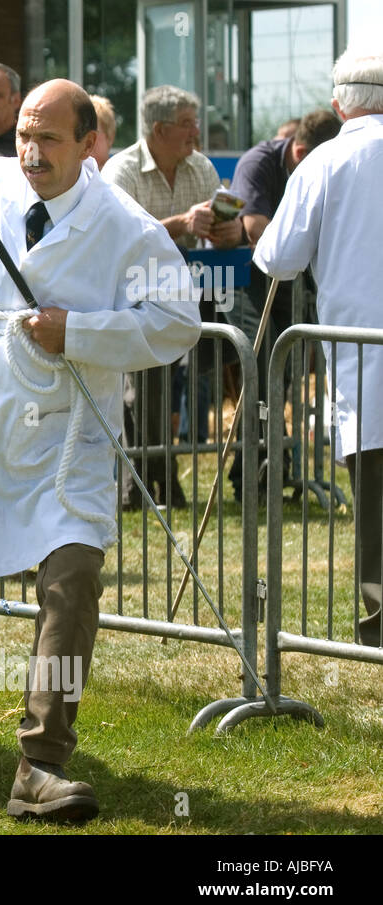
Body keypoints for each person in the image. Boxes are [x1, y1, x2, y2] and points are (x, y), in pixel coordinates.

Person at [0, 79, 199, 820]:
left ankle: (39, 764)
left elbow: (176, 321)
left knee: (71, 588)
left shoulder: (126, 226)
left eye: (48, 139)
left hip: (70, 437)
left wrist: (83, 332)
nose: (30, 151)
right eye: (25, 135)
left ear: (90, 142)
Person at [254, 47, 383, 648]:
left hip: (365, 365)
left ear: (339, 105)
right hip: (364, 359)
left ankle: (380, 624)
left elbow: (276, 257)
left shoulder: (326, 161)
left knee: (377, 506)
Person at [102, 85, 241, 507]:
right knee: (141, 389)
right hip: (132, 296)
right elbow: (117, 239)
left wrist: (225, 230)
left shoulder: (200, 168)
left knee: (195, 374)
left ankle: (157, 481)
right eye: (186, 123)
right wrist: (181, 223)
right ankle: (143, 483)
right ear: (159, 129)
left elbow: (217, 233)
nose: (196, 131)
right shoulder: (120, 172)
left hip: (192, 291)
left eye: (195, 121)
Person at [224, 109, 341, 499]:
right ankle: (252, 470)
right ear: (300, 151)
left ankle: (276, 464)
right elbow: (256, 230)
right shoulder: (259, 161)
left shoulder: (323, 162)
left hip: (290, 279)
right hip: (246, 281)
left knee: (287, 366)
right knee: (260, 360)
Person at [89, 95, 116, 169]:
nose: (87, 140)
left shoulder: (121, 174)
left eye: (93, 134)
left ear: (110, 137)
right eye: (82, 133)